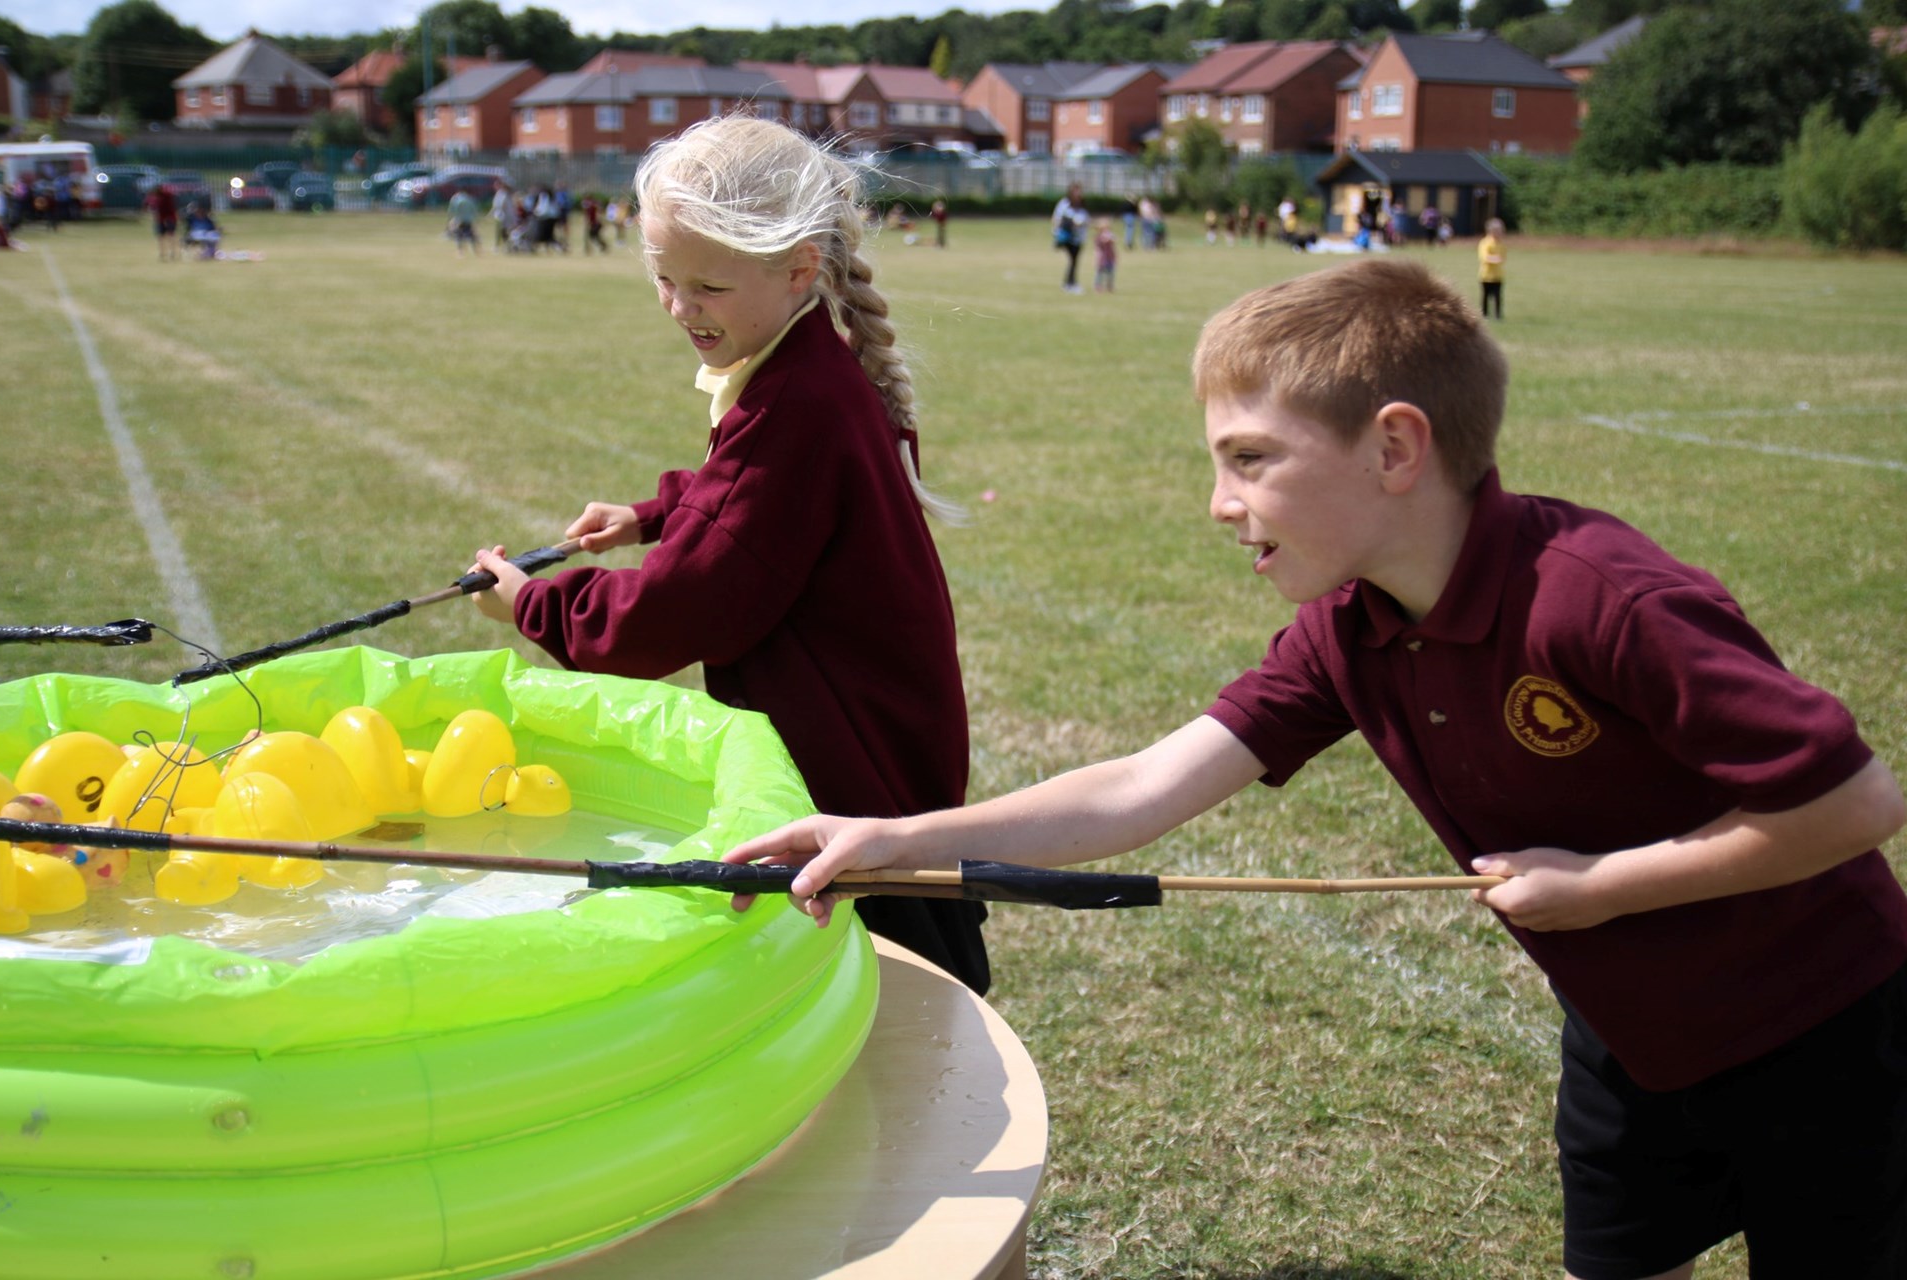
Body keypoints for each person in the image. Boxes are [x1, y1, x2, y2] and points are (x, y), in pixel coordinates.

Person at [729, 257, 1907, 1280]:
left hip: (1824, 1029)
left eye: (1249, 458)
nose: (1217, 501)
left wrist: (1596, 887)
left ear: (1396, 446)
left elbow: (1858, 803)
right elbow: (1146, 785)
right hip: (1628, 1032)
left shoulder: (1600, 601)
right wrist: (890, 834)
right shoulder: (1351, 627)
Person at [467, 115, 991, 994]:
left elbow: (681, 608)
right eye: (664, 279)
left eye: (705, 285)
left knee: (908, 972)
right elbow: (742, 502)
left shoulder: (798, 405)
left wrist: (531, 604)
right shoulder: (808, 368)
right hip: (883, 737)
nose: (679, 307)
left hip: (854, 757)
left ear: (797, 270)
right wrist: (650, 514)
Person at [1052, 182, 1086, 294]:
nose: (1078, 193)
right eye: (1076, 191)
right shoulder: (1065, 204)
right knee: (1072, 259)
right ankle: (1070, 283)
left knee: (1074, 260)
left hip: (1078, 237)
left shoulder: (1081, 204)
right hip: (1067, 236)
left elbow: (1086, 218)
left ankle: (1070, 283)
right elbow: (1057, 219)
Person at [1478, 216, 1506, 319]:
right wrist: (1494, 259)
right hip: (1486, 275)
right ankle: (1484, 315)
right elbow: (1484, 257)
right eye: (1497, 231)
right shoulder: (1485, 243)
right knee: (1485, 297)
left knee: (1498, 297)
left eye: (1500, 231)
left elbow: (1503, 257)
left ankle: (1498, 315)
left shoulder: (1501, 244)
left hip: (1498, 275)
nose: (1499, 233)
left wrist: (1495, 259)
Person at [147, 181, 180, 261]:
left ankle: (172, 252)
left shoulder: (166, 196)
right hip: (162, 219)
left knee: (170, 235)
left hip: (169, 218)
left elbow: (169, 208)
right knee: (162, 236)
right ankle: (163, 253)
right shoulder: (156, 197)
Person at [447, 188, 480, 256]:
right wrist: (475, 219)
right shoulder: (470, 199)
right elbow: (474, 210)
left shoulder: (457, 199)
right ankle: (475, 250)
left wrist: (452, 219)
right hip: (468, 219)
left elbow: (454, 210)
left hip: (460, 220)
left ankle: (460, 251)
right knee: (471, 235)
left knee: (459, 235)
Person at [1092, 216, 1116, 293]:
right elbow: (1100, 242)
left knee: (1110, 273)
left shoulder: (1110, 235)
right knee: (1099, 273)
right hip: (1101, 258)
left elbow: (1114, 240)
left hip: (1109, 257)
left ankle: (1109, 286)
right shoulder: (1098, 237)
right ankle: (1098, 286)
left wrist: (1110, 238)